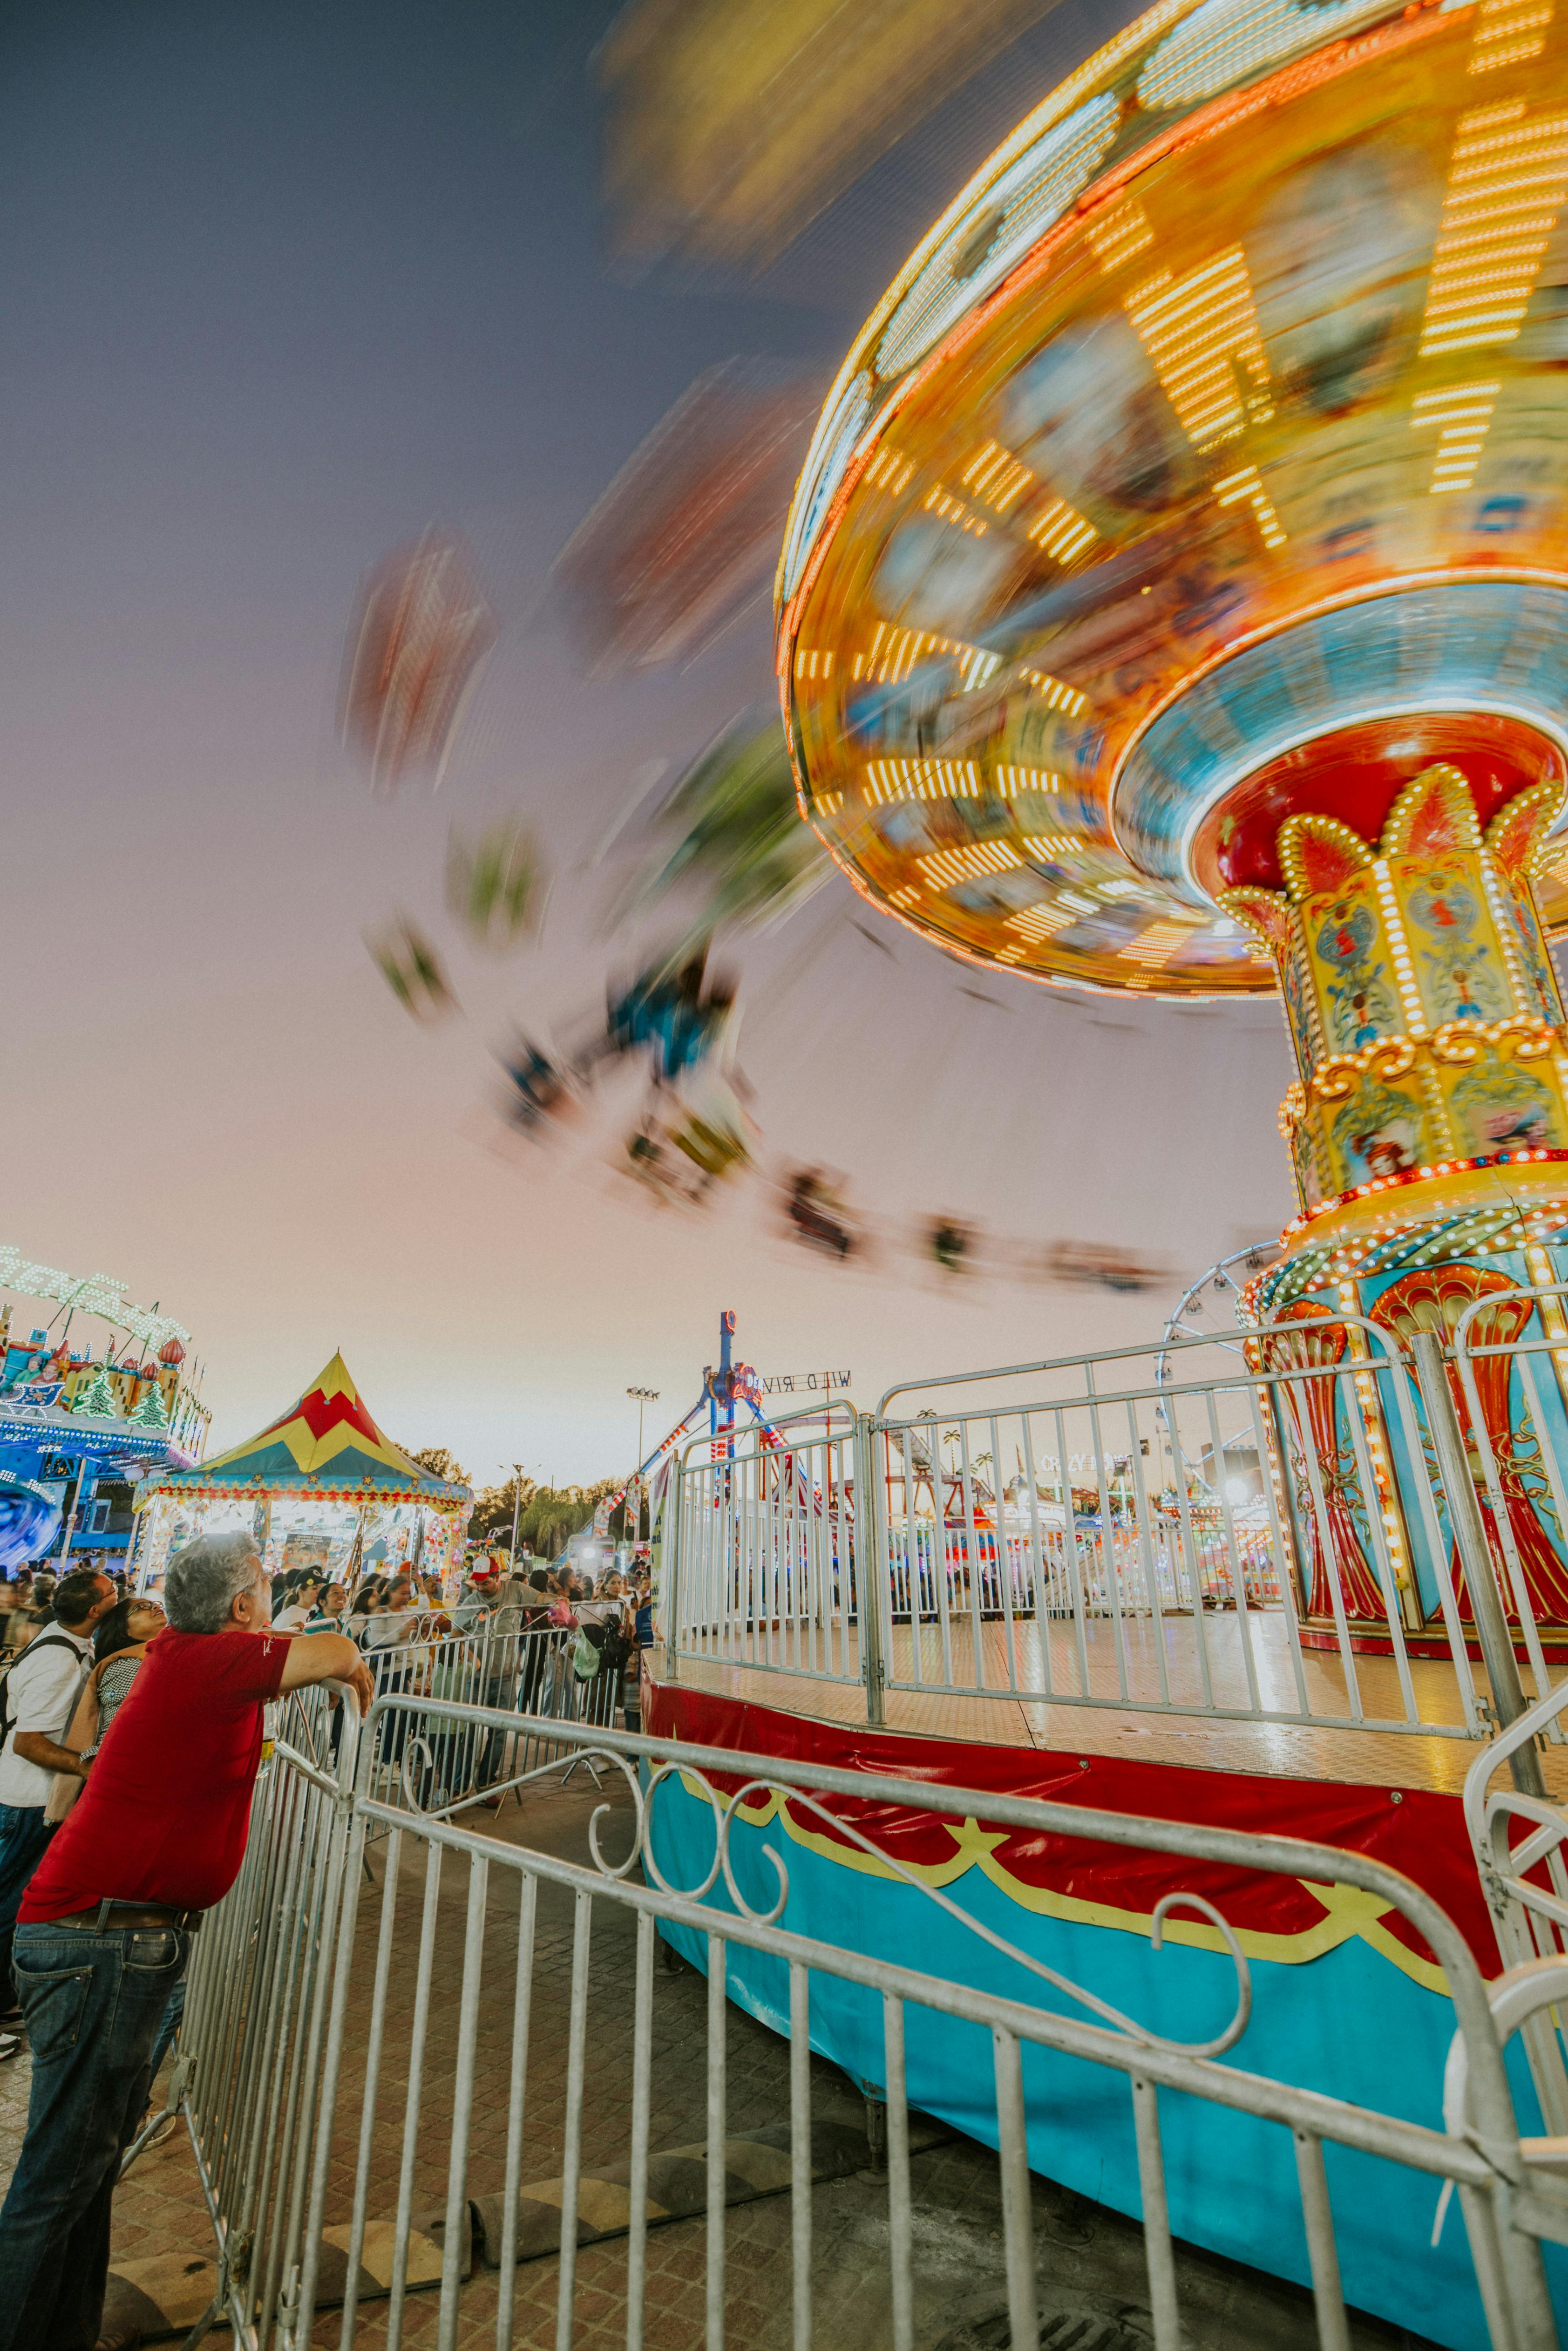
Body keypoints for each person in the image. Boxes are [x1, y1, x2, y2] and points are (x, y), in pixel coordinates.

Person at [0, 1529, 372, 2351]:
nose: (272, 1599)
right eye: (266, 1588)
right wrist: (349, 1663)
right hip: (98, 1941)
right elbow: (336, 1646)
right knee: (59, 2178)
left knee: (86, 2170)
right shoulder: (208, 1661)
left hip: (110, 1937)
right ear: (243, 1605)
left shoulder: (194, 1660)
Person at [0, 1567, 117, 2058]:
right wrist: (88, 1768)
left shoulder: (68, 1643)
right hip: (24, 1799)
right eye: (114, 1594)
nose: (120, 1596)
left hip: (25, 1797)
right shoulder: (58, 1660)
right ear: (95, 1610)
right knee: (7, 1907)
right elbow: (29, 1742)